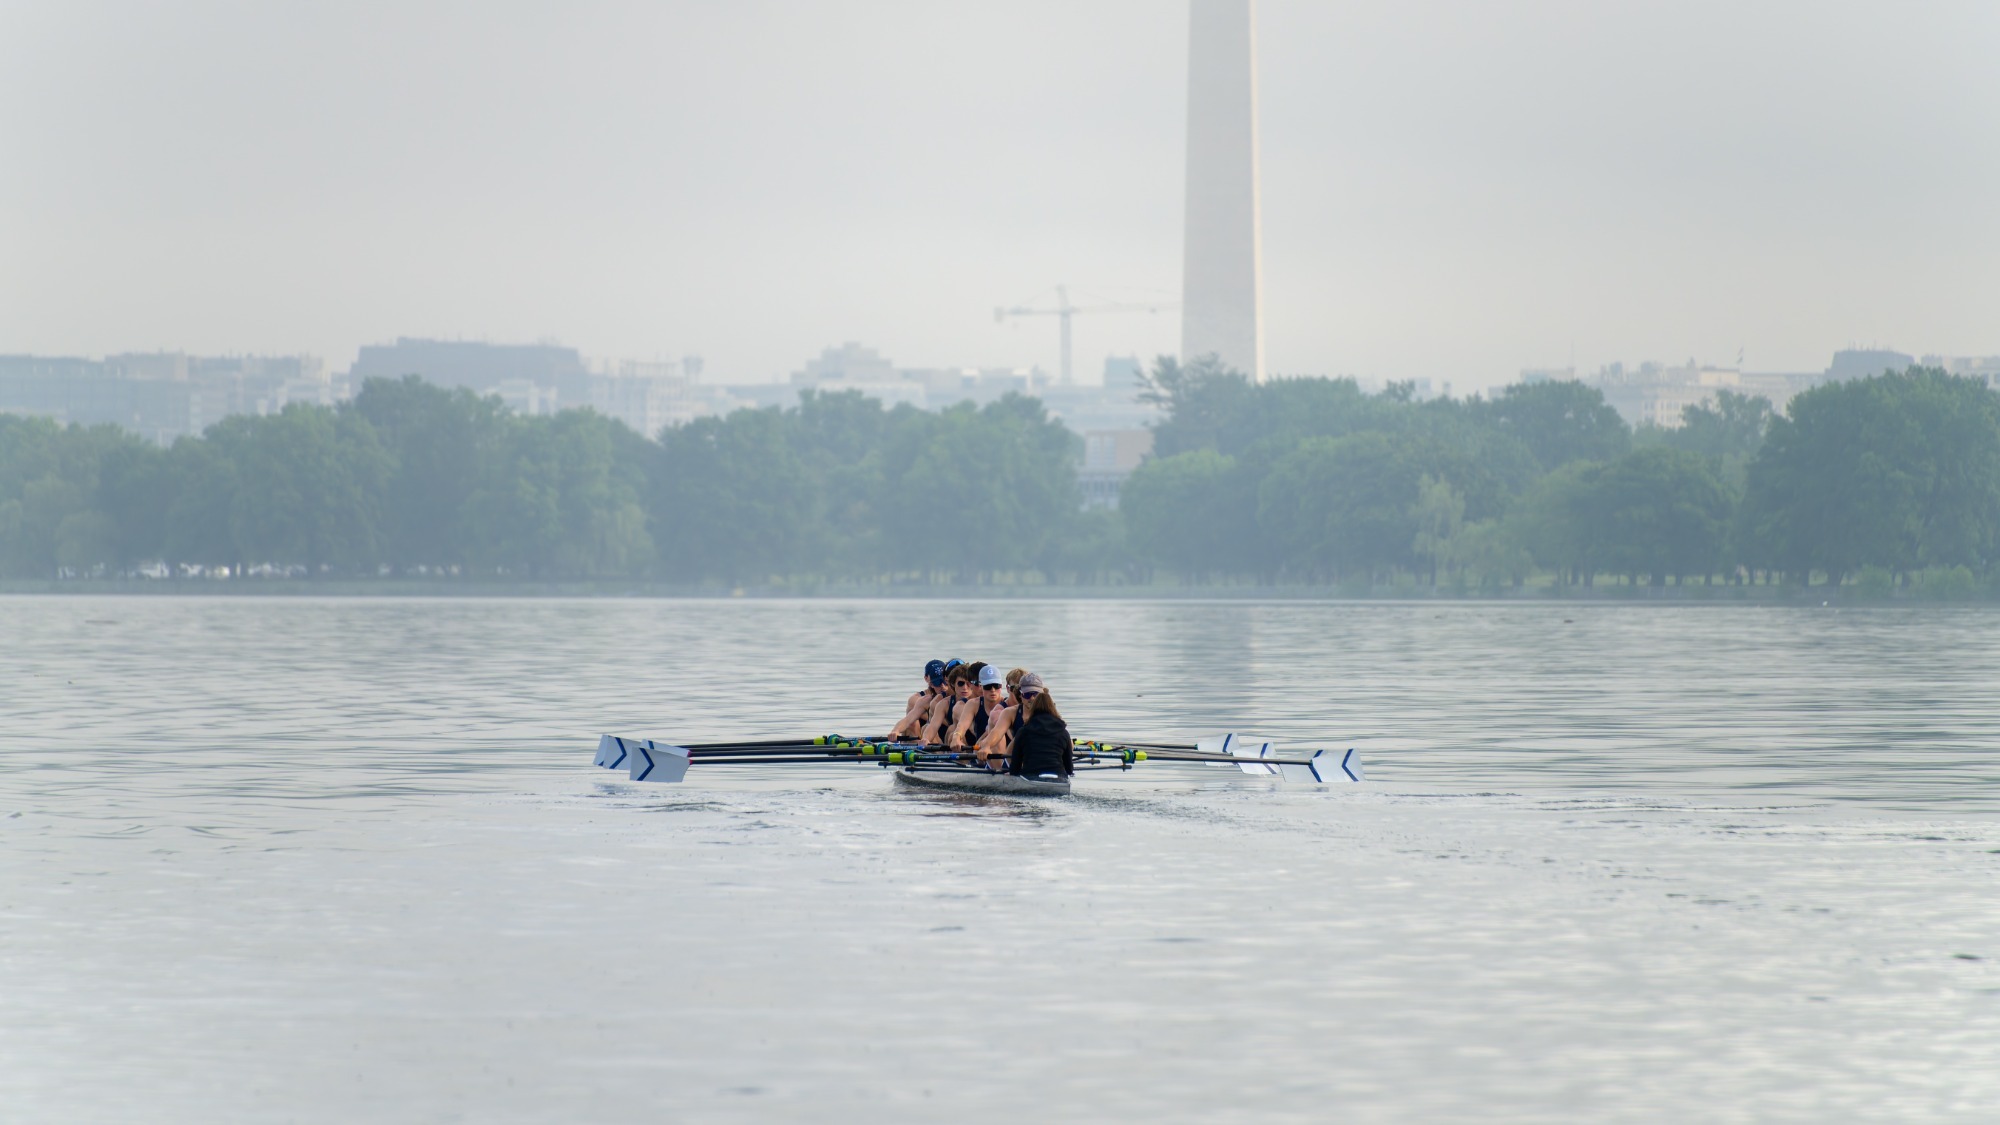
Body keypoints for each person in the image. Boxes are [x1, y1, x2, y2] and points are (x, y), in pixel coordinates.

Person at [1007, 671, 1072, 779]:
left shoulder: (1023, 731)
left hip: (1031, 778)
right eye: (1027, 694)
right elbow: (1069, 769)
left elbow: (1014, 769)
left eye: (1035, 695)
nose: (1031, 698)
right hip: (1059, 778)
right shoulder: (1063, 732)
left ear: (1033, 708)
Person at [973, 666, 1023, 767]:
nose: (1019, 693)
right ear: (1008, 688)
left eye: (1022, 689)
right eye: (1015, 689)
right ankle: (1001, 771)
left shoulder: (1030, 708)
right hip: (999, 760)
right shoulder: (998, 711)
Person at [889, 660, 946, 741]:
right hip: (924, 738)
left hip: (944, 736)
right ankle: (919, 750)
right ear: (929, 681)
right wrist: (895, 731)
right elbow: (908, 720)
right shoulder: (919, 700)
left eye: (944, 681)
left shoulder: (957, 698)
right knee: (916, 724)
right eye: (938, 682)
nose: (943, 686)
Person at [919, 661, 965, 746]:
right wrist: (926, 738)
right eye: (961, 683)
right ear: (951, 682)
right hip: (951, 741)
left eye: (968, 683)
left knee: (952, 730)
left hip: (975, 743)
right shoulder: (940, 702)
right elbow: (933, 726)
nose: (965, 687)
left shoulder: (976, 701)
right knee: (950, 730)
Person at [947, 661, 989, 750]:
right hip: (974, 749)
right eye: (978, 684)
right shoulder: (961, 706)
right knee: (952, 732)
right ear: (971, 684)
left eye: (986, 684)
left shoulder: (1001, 703)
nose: (982, 688)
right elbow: (971, 729)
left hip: (991, 746)